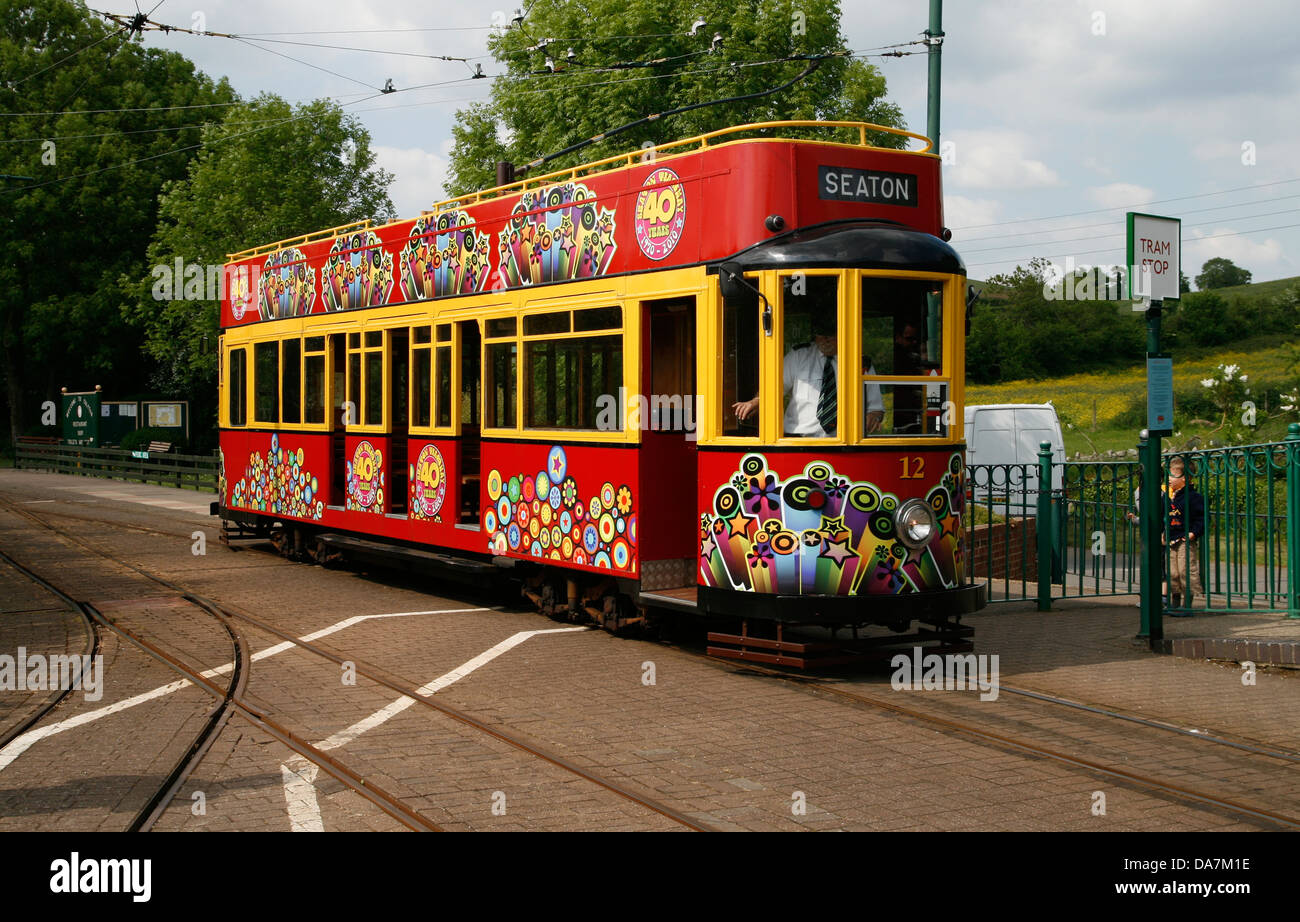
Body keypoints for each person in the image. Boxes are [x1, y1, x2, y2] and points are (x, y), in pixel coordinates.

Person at [732, 312, 884, 436]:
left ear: (843, 334)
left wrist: (873, 417)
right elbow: (775, 389)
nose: (826, 340)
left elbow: (876, 408)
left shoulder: (861, 363)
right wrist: (756, 401)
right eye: (820, 335)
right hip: (798, 440)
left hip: (845, 443)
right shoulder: (799, 356)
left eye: (831, 335)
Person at [1163, 456, 1205, 614]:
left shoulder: (1193, 498)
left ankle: (1187, 604)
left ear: (1186, 478)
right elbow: (1167, 518)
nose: (1169, 479)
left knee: (1185, 571)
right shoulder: (1171, 497)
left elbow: (1202, 518)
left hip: (1184, 540)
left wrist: (1194, 532)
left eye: (1173, 475)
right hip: (1171, 539)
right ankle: (1174, 602)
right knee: (1172, 572)